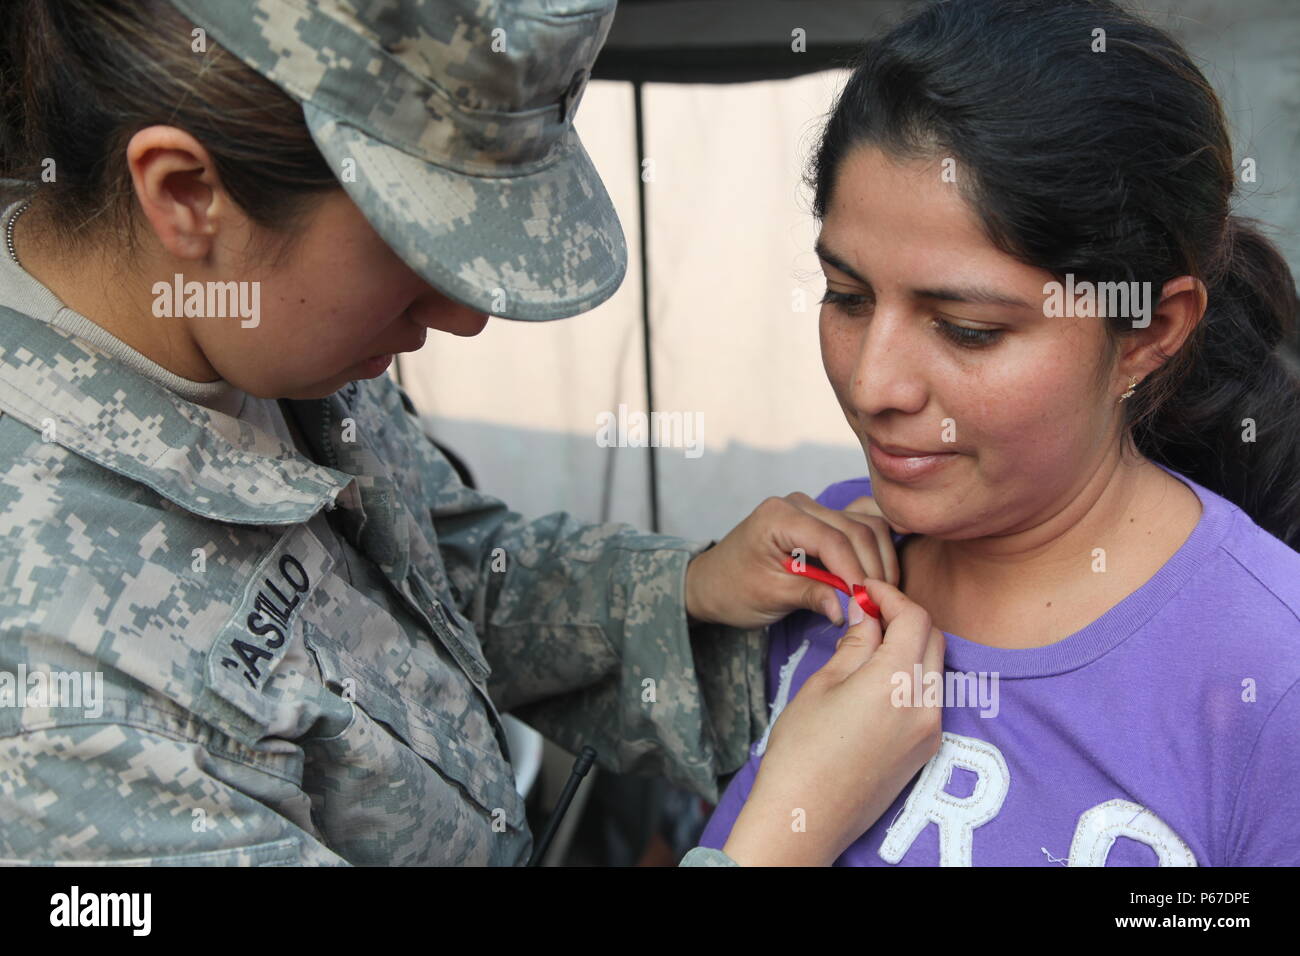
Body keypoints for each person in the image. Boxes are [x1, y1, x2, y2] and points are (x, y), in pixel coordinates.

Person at [0, 0, 942, 867]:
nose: (464, 317)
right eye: (421, 246)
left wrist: (682, 586)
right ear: (187, 194)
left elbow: (435, 577)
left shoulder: (256, 344)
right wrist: (786, 833)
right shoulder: (52, 704)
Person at [699, 0, 1300, 866]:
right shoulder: (822, 568)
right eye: (847, 298)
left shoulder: (1267, 683)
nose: (873, 384)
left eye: (969, 328)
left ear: (1150, 331)